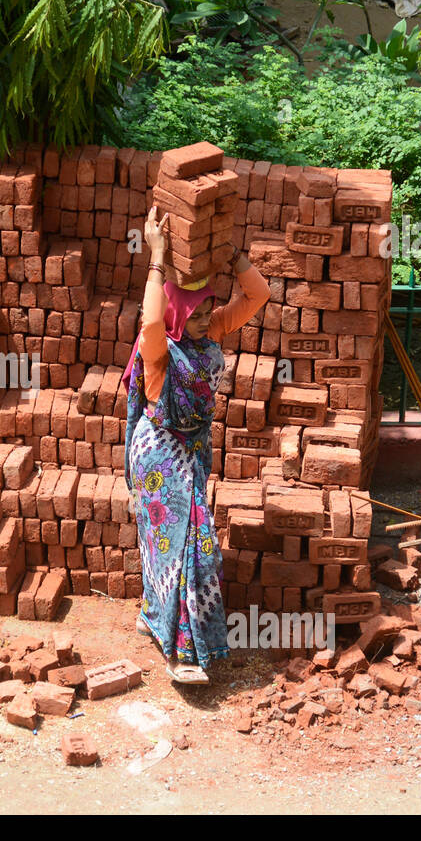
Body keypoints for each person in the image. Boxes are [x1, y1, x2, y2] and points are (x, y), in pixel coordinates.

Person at [121, 206, 271, 684]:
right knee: (188, 548)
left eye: (209, 309)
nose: (207, 318)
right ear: (176, 313)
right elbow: (148, 324)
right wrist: (157, 257)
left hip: (191, 453)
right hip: (160, 454)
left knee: (173, 546)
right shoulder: (160, 349)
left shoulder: (211, 334)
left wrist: (234, 258)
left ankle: (155, 618)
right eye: (198, 312)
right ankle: (181, 651)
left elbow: (259, 294)